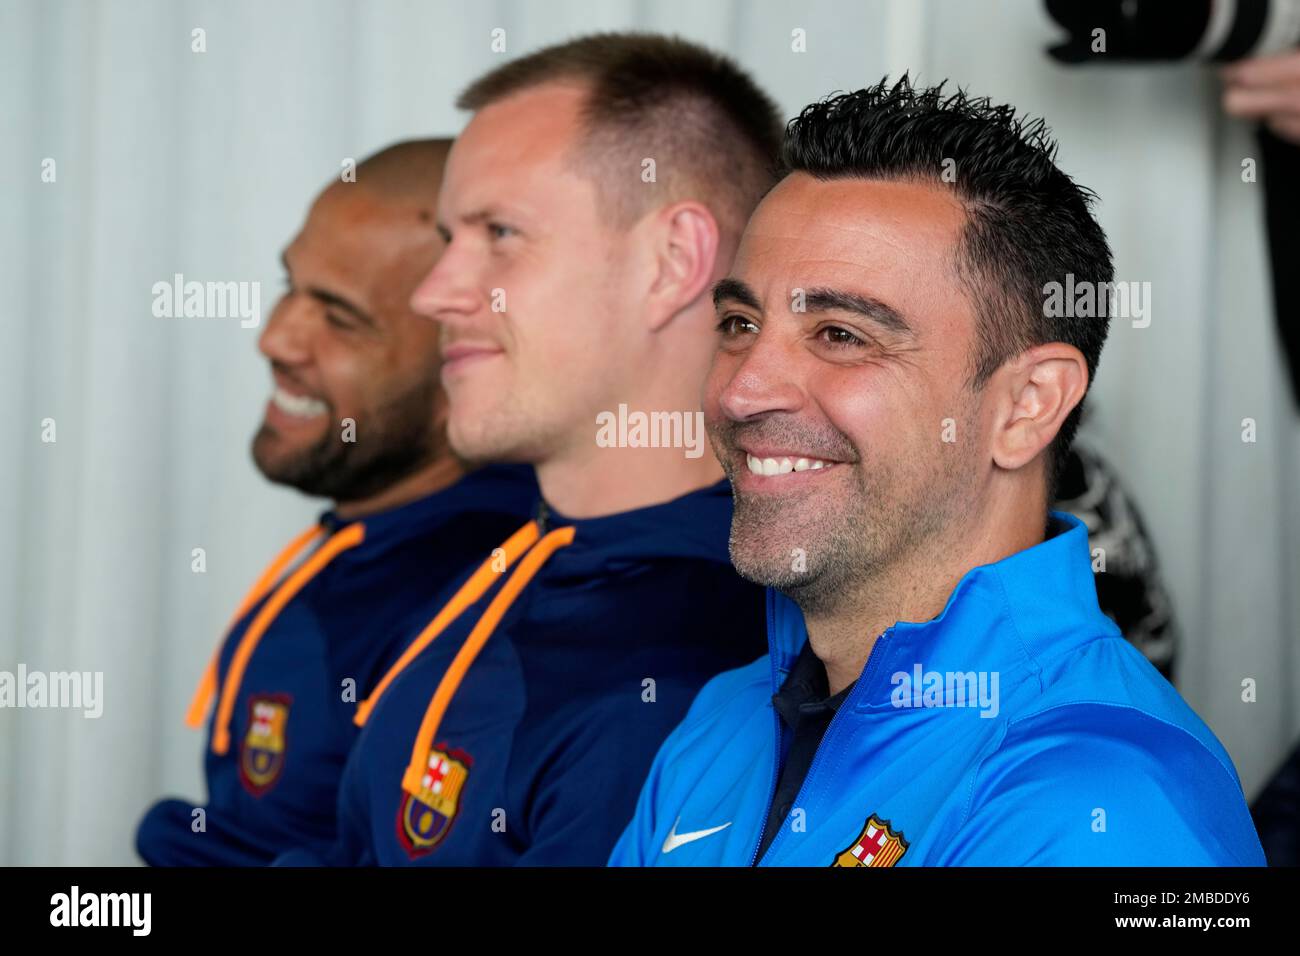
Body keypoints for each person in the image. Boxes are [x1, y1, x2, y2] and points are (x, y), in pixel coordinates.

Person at [610, 77, 1267, 866]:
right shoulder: (726, 720)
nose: (743, 389)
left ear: (1027, 406)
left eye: (842, 335)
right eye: (739, 323)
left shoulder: (1102, 798)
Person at [273, 33, 780, 866]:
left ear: (672, 261)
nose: (434, 293)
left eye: (500, 233)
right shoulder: (515, 563)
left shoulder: (690, 671)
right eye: (447, 239)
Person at [136, 140, 538, 865]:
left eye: (340, 318)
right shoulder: (370, 544)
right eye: (289, 286)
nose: (275, 338)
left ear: (468, 360)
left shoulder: (482, 600)